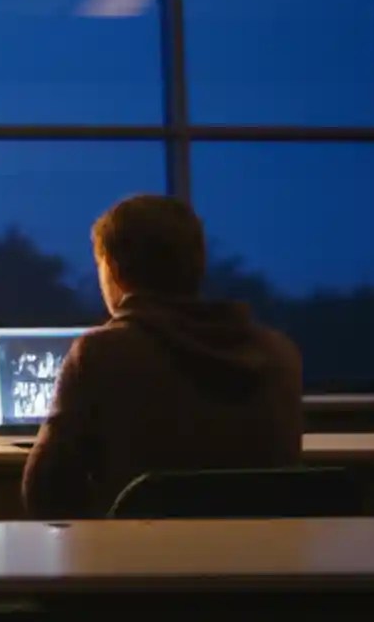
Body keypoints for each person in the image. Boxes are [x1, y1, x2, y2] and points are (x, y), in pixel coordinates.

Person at [21, 194, 303, 518]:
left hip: (140, 550)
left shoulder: (100, 353)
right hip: (261, 550)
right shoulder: (280, 354)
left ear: (111, 269)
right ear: (198, 264)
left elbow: (44, 492)